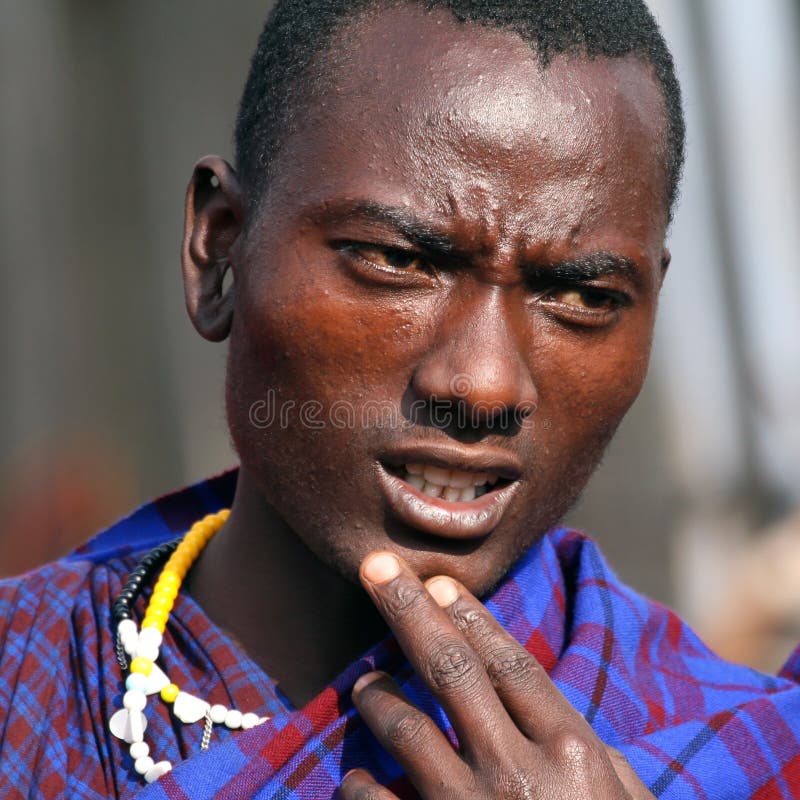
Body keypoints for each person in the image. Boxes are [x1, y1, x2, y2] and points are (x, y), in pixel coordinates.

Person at [1, 1, 799, 798]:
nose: (484, 386)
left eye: (584, 297)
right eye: (396, 259)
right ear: (218, 250)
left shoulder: (745, 753)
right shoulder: (25, 682)